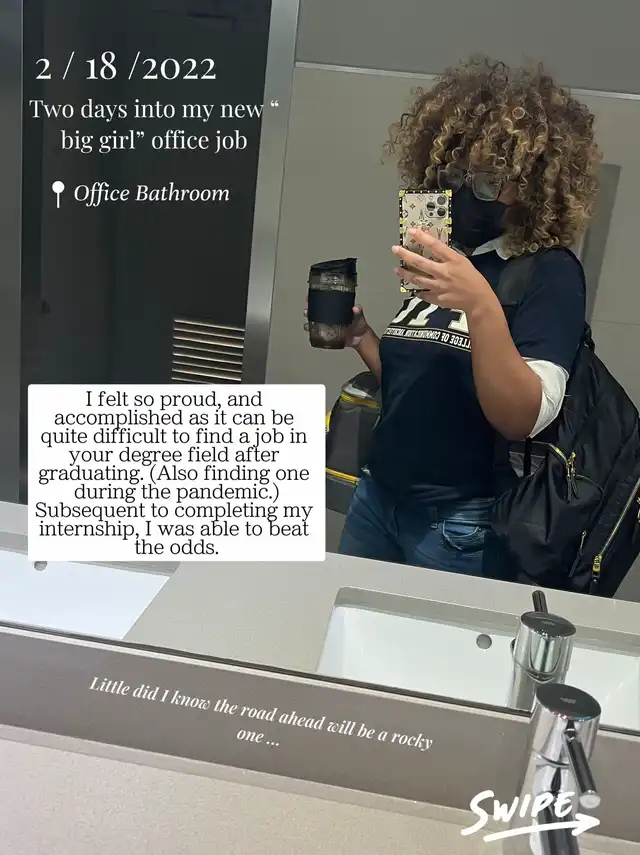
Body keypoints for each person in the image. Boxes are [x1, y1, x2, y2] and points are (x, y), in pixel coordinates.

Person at [332, 57, 601, 577]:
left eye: (489, 181)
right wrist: (363, 337)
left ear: (533, 185)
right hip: (377, 498)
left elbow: (524, 416)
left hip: (458, 525)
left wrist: (480, 304)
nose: (465, 192)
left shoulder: (548, 272)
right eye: (456, 175)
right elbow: (418, 383)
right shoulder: (443, 256)